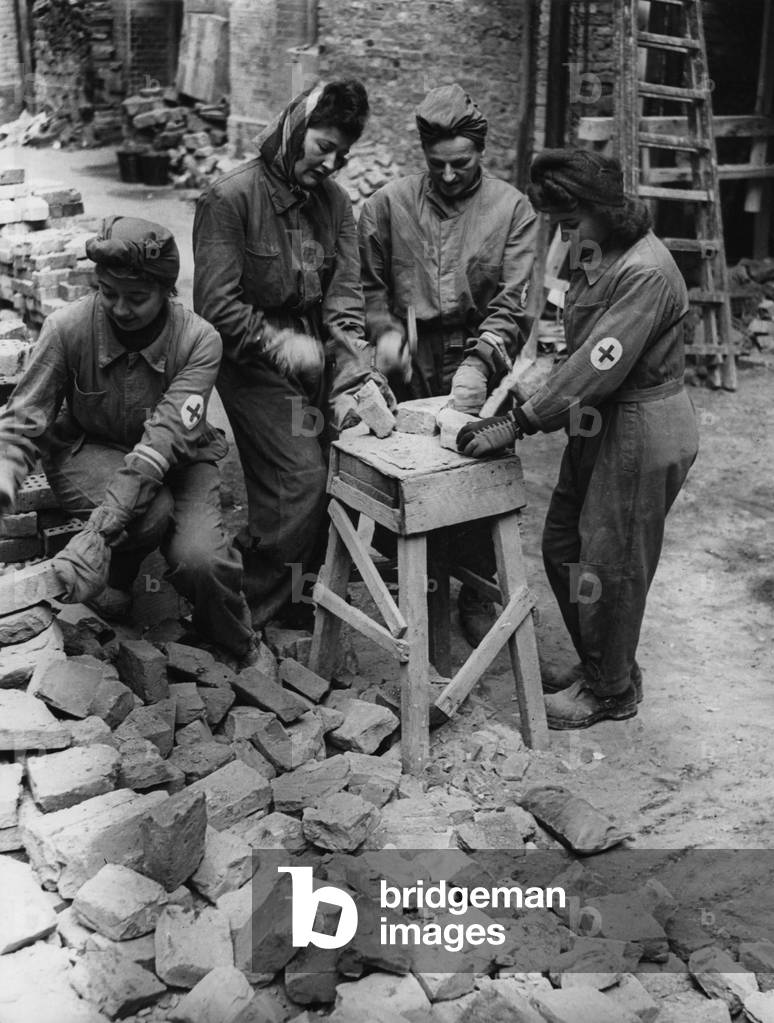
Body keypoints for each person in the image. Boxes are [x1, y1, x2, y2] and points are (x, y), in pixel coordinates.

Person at [457, 148, 699, 728]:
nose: (563, 236)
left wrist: (518, 422)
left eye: (570, 222)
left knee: (611, 563)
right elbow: (574, 344)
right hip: (601, 417)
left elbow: (600, 361)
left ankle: (610, 690)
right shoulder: (597, 251)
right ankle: (604, 663)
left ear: (603, 210)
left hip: (641, 426)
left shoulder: (644, 269)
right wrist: (530, 382)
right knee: (564, 545)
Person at [0, 215, 258, 663]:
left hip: (177, 456)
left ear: (166, 291)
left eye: (137, 298)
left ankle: (238, 644)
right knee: (149, 514)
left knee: (202, 560)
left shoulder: (199, 341)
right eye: (108, 292)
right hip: (89, 447)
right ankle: (116, 586)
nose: (120, 308)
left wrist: (96, 532)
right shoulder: (68, 328)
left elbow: (162, 442)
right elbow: (26, 416)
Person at [193, 80, 386, 630]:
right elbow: (214, 309)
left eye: (342, 155)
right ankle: (249, 614)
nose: (330, 163)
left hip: (317, 351)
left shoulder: (336, 205)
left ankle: (309, 593)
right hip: (248, 357)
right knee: (300, 477)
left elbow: (345, 301)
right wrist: (281, 344)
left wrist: (354, 375)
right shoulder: (229, 198)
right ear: (295, 130)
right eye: (323, 146)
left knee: (347, 464)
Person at [357, 83, 538, 645]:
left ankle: (480, 594)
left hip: (482, 351)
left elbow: (515, 298)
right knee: (409, 472)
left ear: (480, 151)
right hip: (412, 356)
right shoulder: (388, 203)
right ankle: (417, 590)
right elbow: (366, 286)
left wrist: (482, 361)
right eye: (438, 165)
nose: (451, 175)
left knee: (479, 471)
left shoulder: (512, 208)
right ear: (424, 157)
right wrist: (385, 334)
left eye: (461, 163)